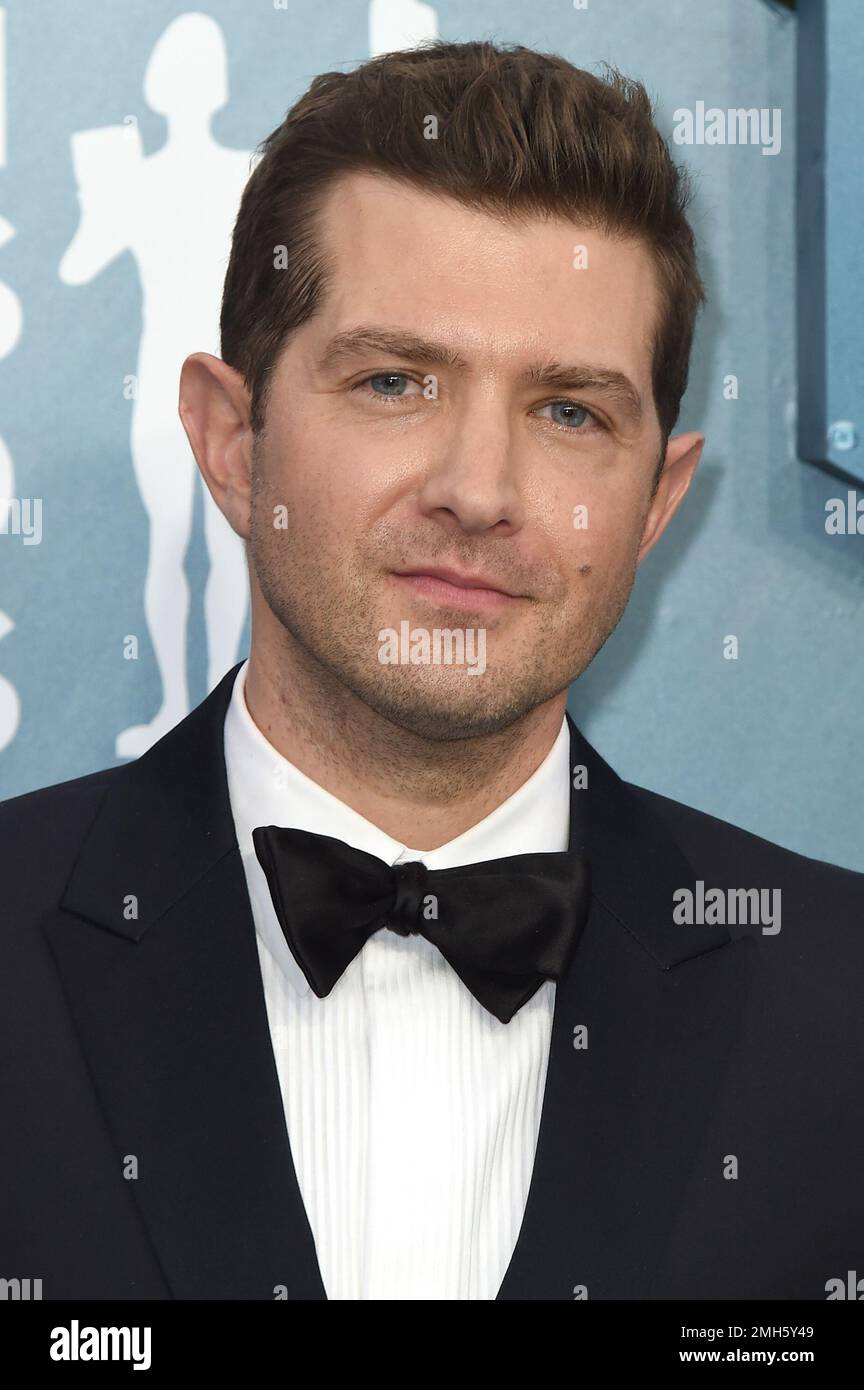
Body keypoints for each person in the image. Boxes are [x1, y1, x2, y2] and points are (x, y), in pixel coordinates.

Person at [1, 40, 862, 1302]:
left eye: (570, 411)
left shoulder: (840, 1003)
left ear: (657, 500)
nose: (479, 491)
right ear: (235, 442)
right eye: (395, 381)